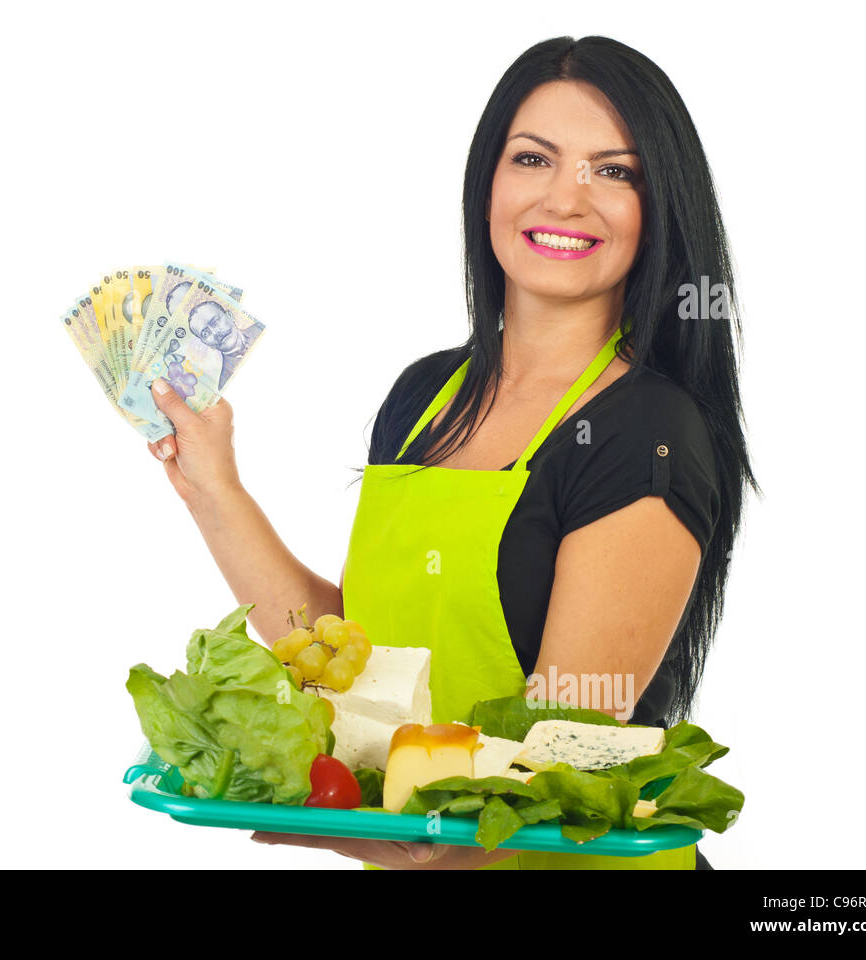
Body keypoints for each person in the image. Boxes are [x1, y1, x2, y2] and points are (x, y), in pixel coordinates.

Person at [143, 35, 758, 870]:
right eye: (533, 158)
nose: (566, 199)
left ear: (658, 210)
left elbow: (561, 759)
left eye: (613, 171)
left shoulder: (647, 430)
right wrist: (212, 486)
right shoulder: (425, 395)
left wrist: (369, 835)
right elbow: (353, 658)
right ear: (488, 185)